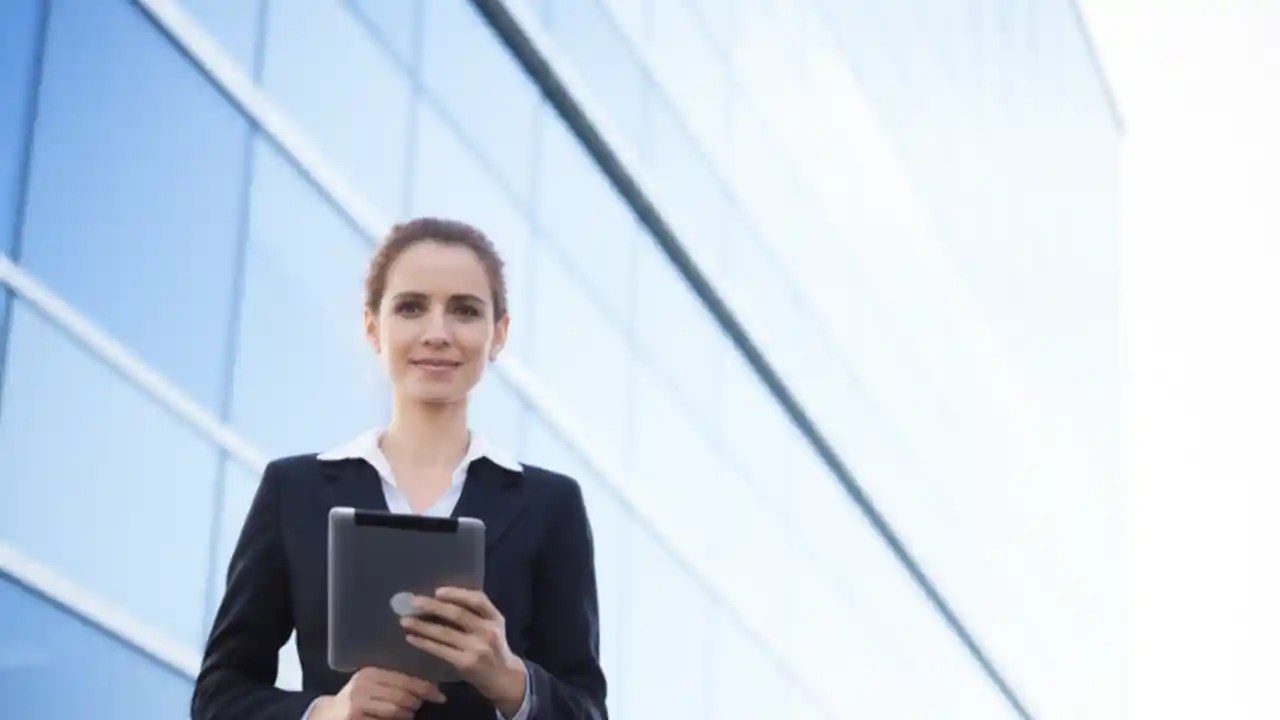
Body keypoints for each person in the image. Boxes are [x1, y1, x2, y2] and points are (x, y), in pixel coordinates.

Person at [191, 218, 607, 720]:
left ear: (498, 334)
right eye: (411, 307)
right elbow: (218, 695)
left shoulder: (550, 505)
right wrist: (328, 712)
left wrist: (512, 681)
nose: (437, 333)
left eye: (465, 310)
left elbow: (587, 708)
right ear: (373, 328)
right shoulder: (293, 491)